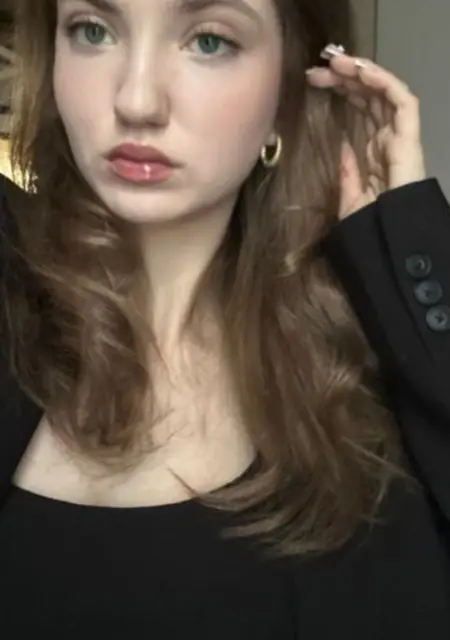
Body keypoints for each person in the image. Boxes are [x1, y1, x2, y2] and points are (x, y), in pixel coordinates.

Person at [1, 0, 450, 637]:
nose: (136, 100)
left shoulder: (369, 390)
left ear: (288, 92)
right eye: (92, 30)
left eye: (209, 40)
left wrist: (409, 240)